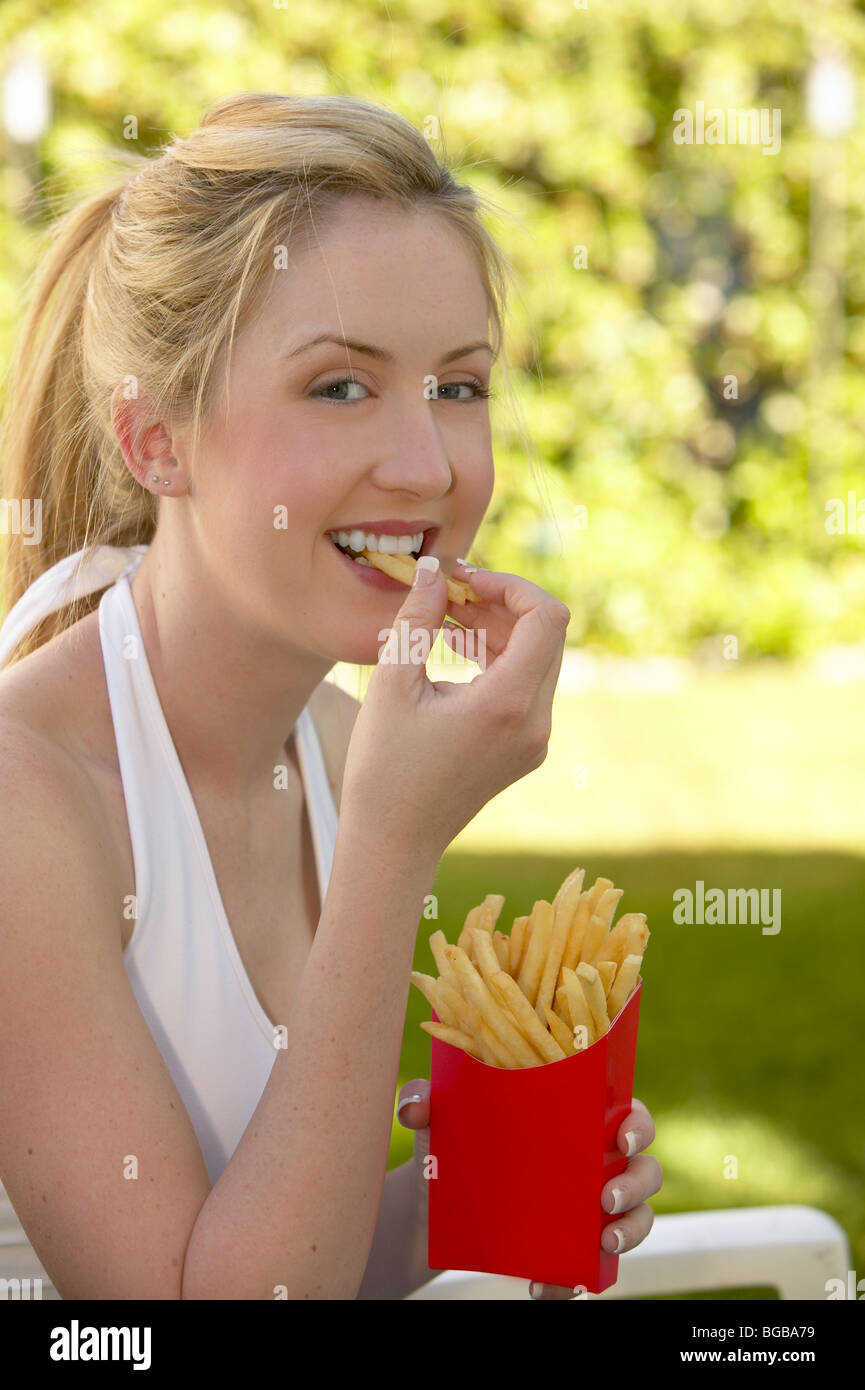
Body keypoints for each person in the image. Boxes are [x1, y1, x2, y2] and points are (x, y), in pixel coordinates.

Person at [0, 92, 661, 1300]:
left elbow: (295, 1262)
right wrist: (391, 848)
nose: (429, 468)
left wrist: (485, 1186)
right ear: (156, 441)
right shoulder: (25, 800)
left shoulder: (340, 740)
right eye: (342, 388)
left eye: (459, 386)